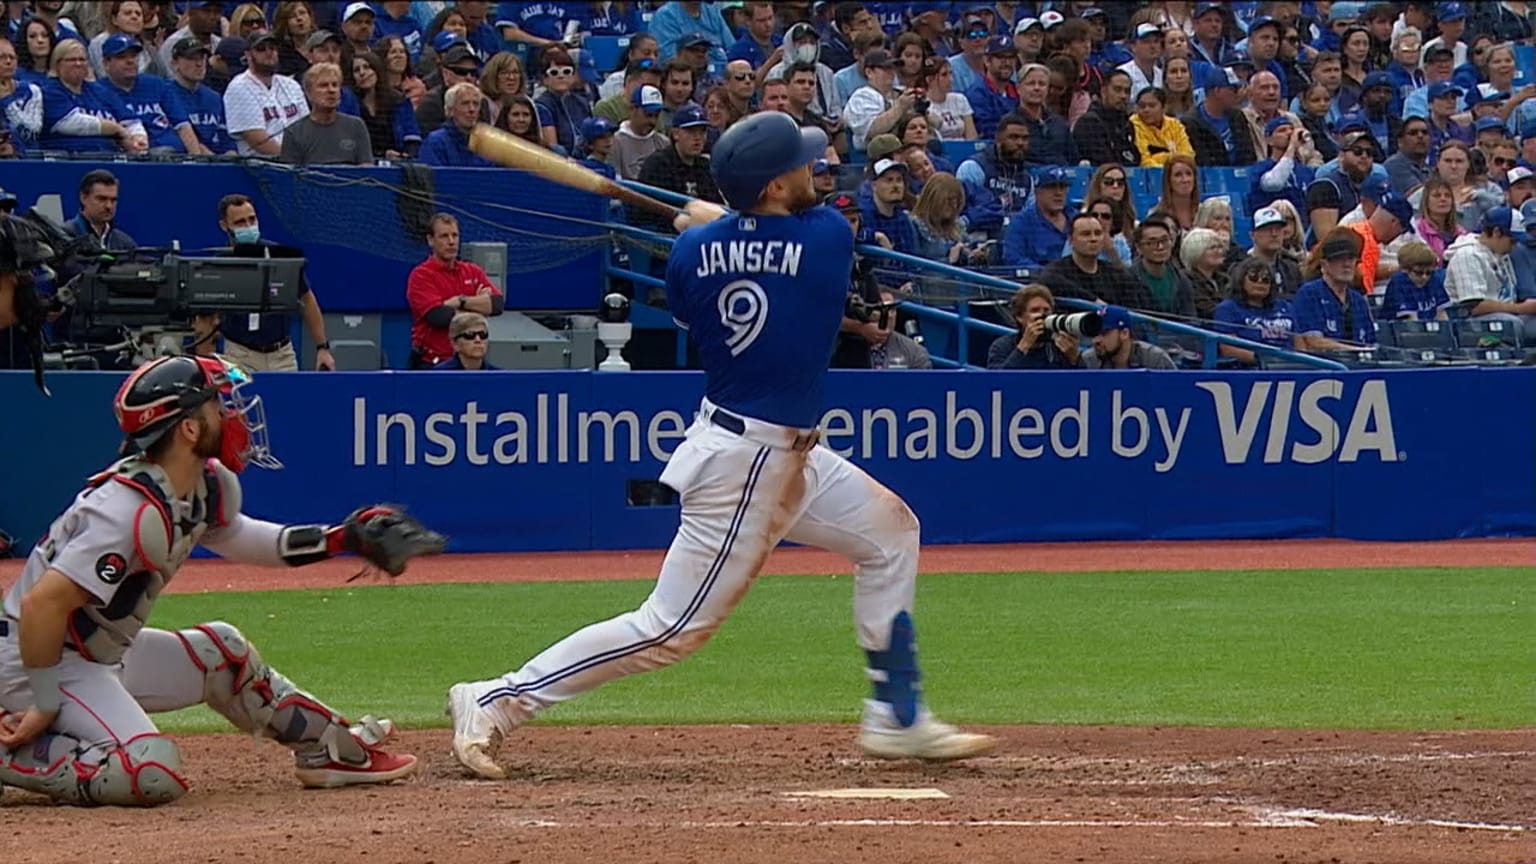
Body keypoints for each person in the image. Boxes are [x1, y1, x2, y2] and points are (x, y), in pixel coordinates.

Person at [446, 111, 995, 779]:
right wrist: (726, 225)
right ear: (772, 189)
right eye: (800, 166)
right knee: (670, 629)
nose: (813, 171)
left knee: (890, 534)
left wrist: (719, 231)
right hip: (749, 463)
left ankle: (896, 716)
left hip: (782, 450)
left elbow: (705, 283)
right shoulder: (824, 239)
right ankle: (497, 698)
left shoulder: (689, 255)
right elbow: (778, 244)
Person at [0, 354, 428, 806]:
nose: (230, 414)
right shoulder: (124, 511)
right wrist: (43, 703)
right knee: (150, 772)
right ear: (187, 428)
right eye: (217, 405)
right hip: (38, 665)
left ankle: (331, 749)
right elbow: (41, 606)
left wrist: (342, 539)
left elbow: (246, 537)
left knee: (223, 653)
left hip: (100, 656)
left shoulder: (200, 487)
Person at [212, 194, 336, 372]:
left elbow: (307, 300)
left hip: (282, 356)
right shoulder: (221, 263)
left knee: (288, 399)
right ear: (225, 226)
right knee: (240, 399)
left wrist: (322, 348)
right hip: (238, 356)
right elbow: (207, 317)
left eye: (252, 219)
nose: (248, 226)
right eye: (240, 222)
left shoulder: (280, 257)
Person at [407, 213, 506, 368]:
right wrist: (478, 309)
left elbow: (497, 304)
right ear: (431, 240)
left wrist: (460, 301)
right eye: (444, 236)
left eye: (455, 235)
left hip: (471, 363)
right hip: (432, 362)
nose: (451, 242)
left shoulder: (472, 271)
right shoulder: (421, 275)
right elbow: (438, 316)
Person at [1442, 205, 1536, 343]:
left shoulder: (1499, 253)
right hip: (1469, 322)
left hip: (1507, 314)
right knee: (1511, 324)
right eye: (1512, 241)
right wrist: (1521, 308)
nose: (1515, 247)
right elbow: (1474, 306)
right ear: (1497, 232)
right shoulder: (1468, 255)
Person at [1291, 232, 1378, 350]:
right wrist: (1355, 351)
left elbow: (1371, 342)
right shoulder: (1309, 294)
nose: (1347, 264)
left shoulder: (1358, 300)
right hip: (1325, 365)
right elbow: (1313, 343)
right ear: (1324, 265)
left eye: (1351, 259)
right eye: (1339, 259)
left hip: (1361, 364)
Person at [279, 62, 372, 165]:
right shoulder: (294, 133)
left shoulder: (356, 126)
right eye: (323, 86)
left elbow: (366, 168)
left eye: (335, 85)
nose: (331, 90)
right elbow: (290, 177)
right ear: (308, 93)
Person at [1212, 256, 1297, 365]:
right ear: (1241, 280)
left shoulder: (1286, 307)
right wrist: (1264, 359)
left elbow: (1299, 345)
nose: (1260, 282)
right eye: (1253, 277)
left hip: (1291, 367)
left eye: (1266, 279)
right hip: (1250, 368)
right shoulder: (1227, 309)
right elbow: (1229, 349)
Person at [986, 283, 1082, 369]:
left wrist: (1074, 358)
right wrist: (1024, 346)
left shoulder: (1060, 346)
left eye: (1046, 310)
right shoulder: (1002, 346)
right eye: (1035, 310)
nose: (1042, 315)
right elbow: (998, 382)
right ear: (1019, 317)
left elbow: (1085, 383)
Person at [1081, 305, 1178, 369]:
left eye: (1104, 333)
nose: (1096, 340)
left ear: (1124, 333)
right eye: (1094, 333)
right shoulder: (1089, 360)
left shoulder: (1154, 359)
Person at [1380, 241, 1450, 320]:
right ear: (1404, 270)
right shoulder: (1399, 282)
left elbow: (1441, 314)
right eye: (1418, 273)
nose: (1424, 277)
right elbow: (1411, 321)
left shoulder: (1434, 278)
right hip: (1401, 330)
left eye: (1429, 272)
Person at [435, 311, 500, 370]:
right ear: (455, 343)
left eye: (483, 335)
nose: (478, 340)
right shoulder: (438, 375)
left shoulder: (500, 376)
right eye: (470, 335)